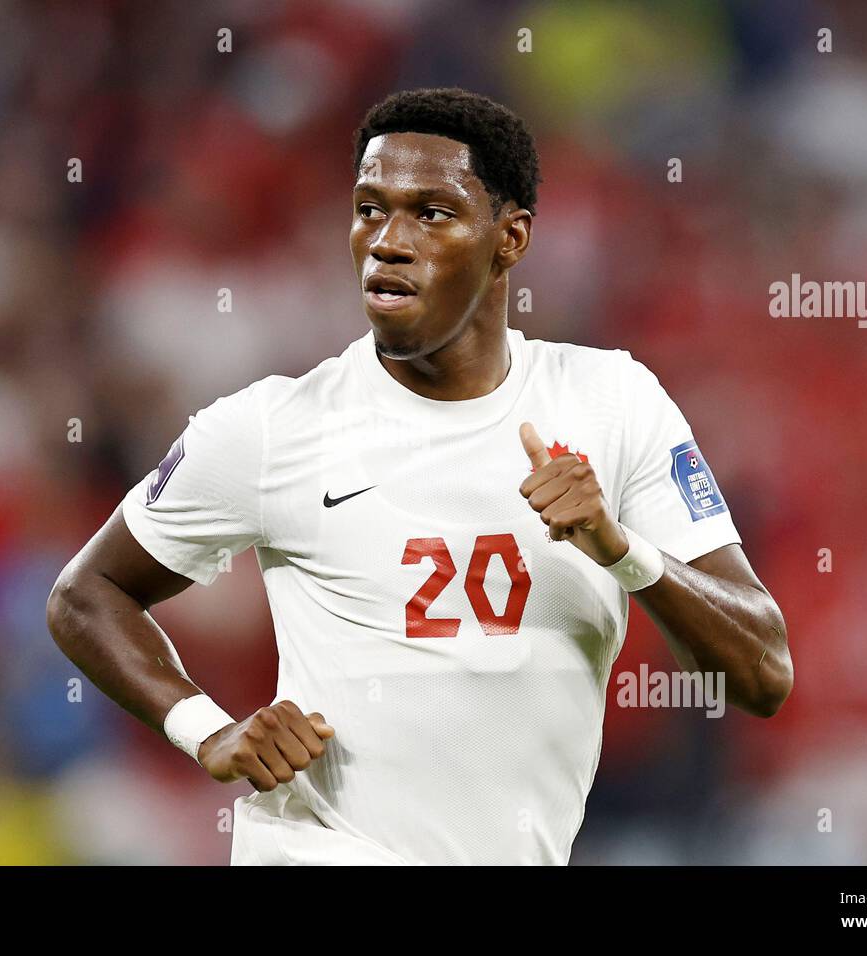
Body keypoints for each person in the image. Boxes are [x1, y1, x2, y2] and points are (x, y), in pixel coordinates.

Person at [46, 87, 792, 865]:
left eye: (431, 213)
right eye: (370, 208)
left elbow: (762, 672)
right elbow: (85, 594)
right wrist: (206, 729)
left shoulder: (613, 403)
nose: (387, 241)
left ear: (510, 239)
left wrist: (621, 549)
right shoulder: (271, 428)